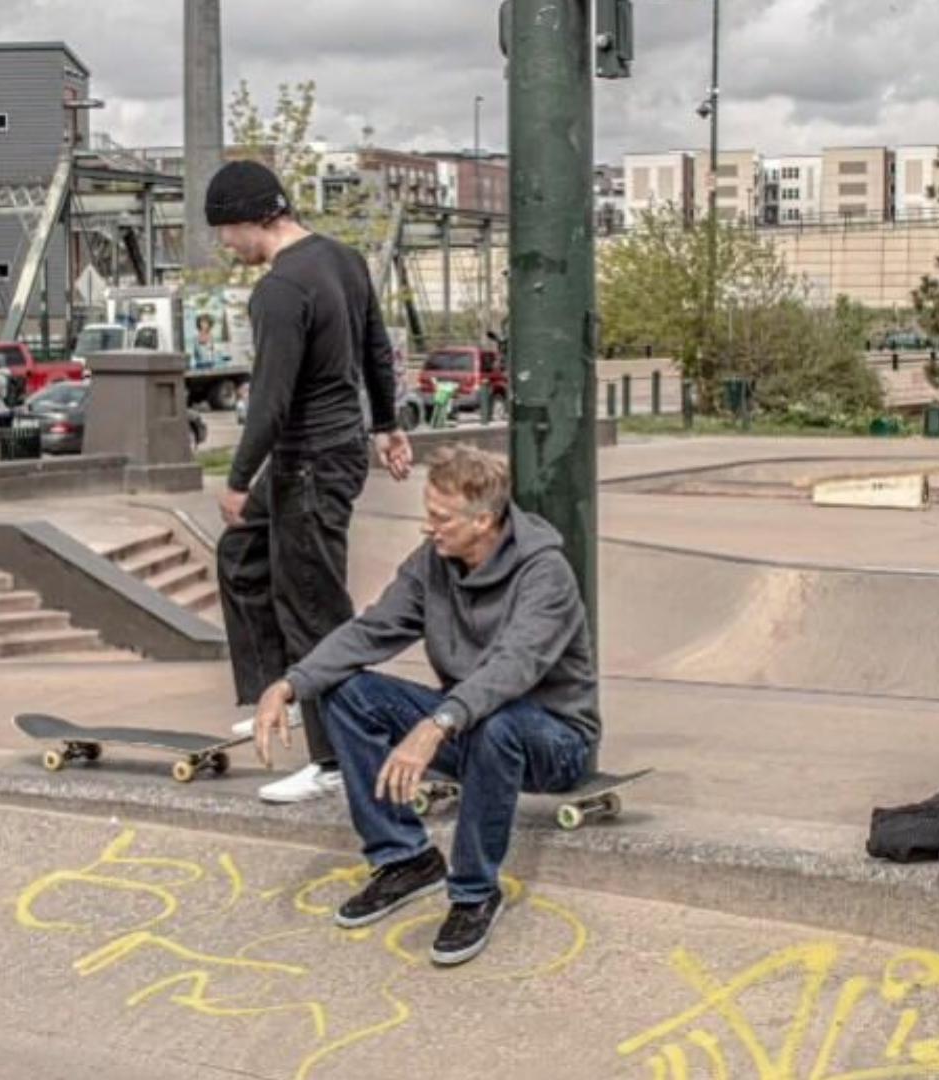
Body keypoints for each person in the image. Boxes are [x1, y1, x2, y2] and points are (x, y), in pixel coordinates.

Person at [250, 446, 600, 966]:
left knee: (497, 721)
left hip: (554, 741)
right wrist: (290, 684)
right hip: (466, 726)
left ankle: (475, 893)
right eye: (427, 513)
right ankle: (405, 859)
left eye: (440, 517)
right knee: (347, 692)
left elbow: (511, 669)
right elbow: (372, 630)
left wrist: (437, 723)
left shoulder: (545, 574)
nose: (427, 527)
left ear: (483, 521)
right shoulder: (433, 563)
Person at [206, 158, 416, 804]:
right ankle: (286, 696)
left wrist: (238, 479)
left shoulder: (279, 290)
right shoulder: (343, 260)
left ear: (252, 219)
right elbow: (376, 349)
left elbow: (269, 400)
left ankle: (335, 759)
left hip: (308, 462)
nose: (225, 244)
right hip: (332, 451)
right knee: (241, 557)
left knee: (312, 606)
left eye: (225, 231)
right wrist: (387, 425)